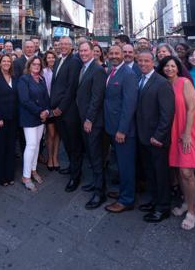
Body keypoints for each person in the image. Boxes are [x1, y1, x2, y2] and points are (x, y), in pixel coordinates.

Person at [158, 56, 195, 230]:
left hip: (187, 130)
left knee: (187, 172)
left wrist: (187, 134)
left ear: (178, 68)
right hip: (172, 131)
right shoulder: (164, 84)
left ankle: (193, 211)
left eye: (173, 66)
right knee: (180, 171)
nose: (169, 69)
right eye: (166, 66)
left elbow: (191, 108)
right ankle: (187, 203)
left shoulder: (184, 82)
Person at [135, 51, 175, 222]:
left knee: (161, 174)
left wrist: (159, 136)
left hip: (156, 139)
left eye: (146, 61)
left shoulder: (162, 83)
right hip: (143, 137)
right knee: (150, 173)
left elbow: (167, 114)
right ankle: (154, 200)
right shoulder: (140, 80)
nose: (143, 64)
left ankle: (163, 207)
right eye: (140, 61)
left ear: (153, 63)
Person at [103, 44, 139, 213]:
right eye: (112, 53)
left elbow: (129, 105)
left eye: (118, 53)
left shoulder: (129, 74)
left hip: (122, 130)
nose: (115, 56)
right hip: (112, 126)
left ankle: (126, 200)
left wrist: (122, 130)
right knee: (120, 164)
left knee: (126, 166)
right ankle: (123, 192)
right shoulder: (112, 70)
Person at [76, 41, 108, 209]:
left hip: (93, 122)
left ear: (92, 52)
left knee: (96, 156)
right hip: (84, 119)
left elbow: (97, 98)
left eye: (85, 50)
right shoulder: (84, 67)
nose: (83, 53)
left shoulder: (97, 70)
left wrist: (89, 119)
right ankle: (96, 183)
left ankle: (99, 192)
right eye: (80, 51)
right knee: (91, 154)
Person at [51, 36, 84, 192]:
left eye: (66, 44)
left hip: (68, 111)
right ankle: (72, 167)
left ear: (72, 47)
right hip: (58, 111)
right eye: (61, 44)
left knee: (74, 145)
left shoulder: (75, 61)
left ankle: (75, 177)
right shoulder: (58, 60)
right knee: (67, 143)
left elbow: (71, 88)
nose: (63, 46)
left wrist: (60, 108)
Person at [17, 56, 51, 191]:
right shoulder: (23, 80)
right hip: (29, 117)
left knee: (37, 145)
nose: (36, 66)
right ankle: (25, 176)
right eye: (34, 64)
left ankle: (33, 170)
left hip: (41, 117)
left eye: (39, 64)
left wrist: (47, 111)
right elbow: (24, 100)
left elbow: (46, 98)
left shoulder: (41, 79)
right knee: (31, 145)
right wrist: (40, 112)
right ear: (29, 66)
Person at [0, 55, 19, 186]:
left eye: (8, 61)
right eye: (4, 61)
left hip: (13, 118)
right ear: (0, 63)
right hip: (0, 119)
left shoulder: (15, 78)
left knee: (11, 147)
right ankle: (1, 177)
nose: (6, 63)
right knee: (0, 148)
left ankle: (10, 175)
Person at [41, 50, 60, 171]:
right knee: (51, 134)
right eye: (49, 58)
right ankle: (49, 158)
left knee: (58, 134)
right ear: (46, 60)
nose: (51, 59)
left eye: (53, 57)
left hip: (59, 106)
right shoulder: (43, 72)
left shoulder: (59, 70)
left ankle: (55, 158)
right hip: (48, 106)